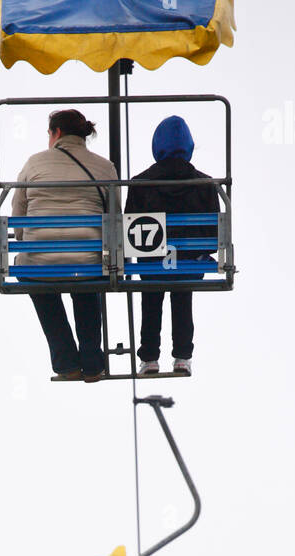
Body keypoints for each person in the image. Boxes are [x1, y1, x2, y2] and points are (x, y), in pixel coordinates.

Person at [12, 109, 118, 382]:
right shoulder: (105, 167)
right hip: (88, 263)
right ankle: (93, 363)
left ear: (56, 133)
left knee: (40, 284)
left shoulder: (33, 164)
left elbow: (18, 214)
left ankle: (66, 363)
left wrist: (27, 244)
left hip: (39, 262)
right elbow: (116, 216)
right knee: (87, 285)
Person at [125, 115, 220, 378]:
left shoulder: (139, 183)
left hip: (153, 262)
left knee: (151, 298)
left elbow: (129, 230)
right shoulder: (206, 184)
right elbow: (215, 235)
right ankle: (182, 357)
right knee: (183, 296)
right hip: (188, 264)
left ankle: (149, 358)